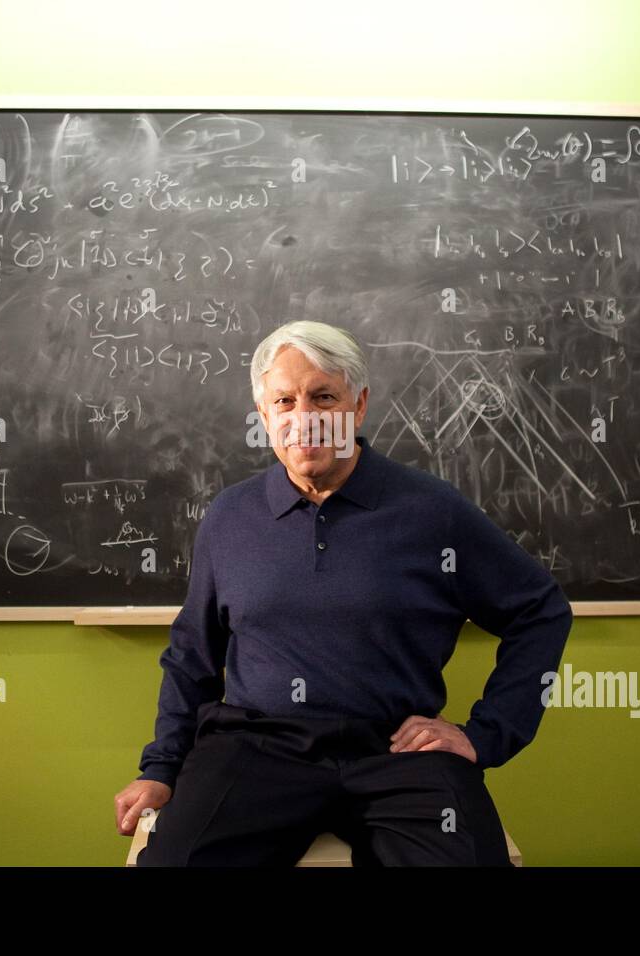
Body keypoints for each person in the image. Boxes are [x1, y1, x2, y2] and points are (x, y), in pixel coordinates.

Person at [113, 320, 573, 865]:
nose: (304, 418)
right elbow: (192, 655)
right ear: (264, 417)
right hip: (256, 748)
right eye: (284, 401)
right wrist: (160, 769)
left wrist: (487, 733)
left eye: (323, 397)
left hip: (398, 751)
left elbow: (540, 609)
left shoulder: (431, 510)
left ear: (358, 406)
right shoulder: (230, 518)